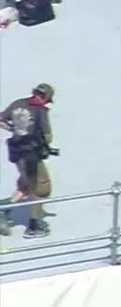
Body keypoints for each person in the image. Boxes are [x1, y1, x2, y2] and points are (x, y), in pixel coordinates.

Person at [0, 84, 57, 238]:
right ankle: (34, 225)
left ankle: (4, 211)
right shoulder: (41, 111)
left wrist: (14, 130)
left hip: (16, 153)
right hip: (31, 154)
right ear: (45, 97)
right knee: (41, 188)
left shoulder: (18, 103)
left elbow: (1, 119)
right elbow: (48, 136)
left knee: (25, 183)